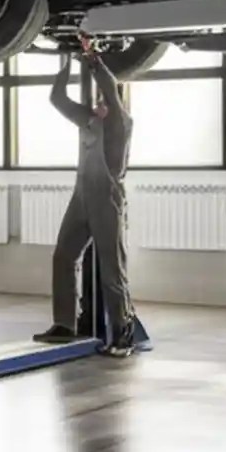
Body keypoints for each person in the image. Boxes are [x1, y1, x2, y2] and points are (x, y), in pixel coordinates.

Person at [32, 39, 139, 358]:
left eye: (102, 101)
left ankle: (122, 333)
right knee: (63, 256)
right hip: (81, 197)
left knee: (111, 269)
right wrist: (64, 63)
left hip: (106, 199)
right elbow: (56, 98)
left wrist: (92, 59)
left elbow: (109, 87)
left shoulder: (120, 123)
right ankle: (64, 324)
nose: (96, 104)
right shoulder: (88, 121)